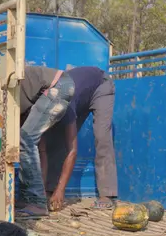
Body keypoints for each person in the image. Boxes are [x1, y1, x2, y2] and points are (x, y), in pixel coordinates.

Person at [39, 66, 117, 211]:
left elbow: (72, 149)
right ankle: (50, 190)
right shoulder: (43, 105)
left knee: (102, 136)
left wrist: (61, 190)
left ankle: (107, 194)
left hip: (101, 85)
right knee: (55, 137)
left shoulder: (65, 105)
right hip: (81, 93)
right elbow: (41, 148)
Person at [16, 65, 75, 217]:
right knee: (26, 140)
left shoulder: (2, 93)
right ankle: (28, 198)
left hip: (58, 86)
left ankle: (36, 202)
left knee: (26, 139)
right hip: (56, 86)